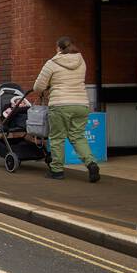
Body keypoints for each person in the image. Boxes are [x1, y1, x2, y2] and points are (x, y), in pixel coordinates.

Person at [33, 37, 100, 182]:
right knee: (78, 136)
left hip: (60, 105)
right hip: (81, 104)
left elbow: (38, 87)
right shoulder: (81, 61)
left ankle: (57, 170)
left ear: (58, 48)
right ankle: (91, 163)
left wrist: (50, 85)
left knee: (57, 138)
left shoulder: (52, 63)